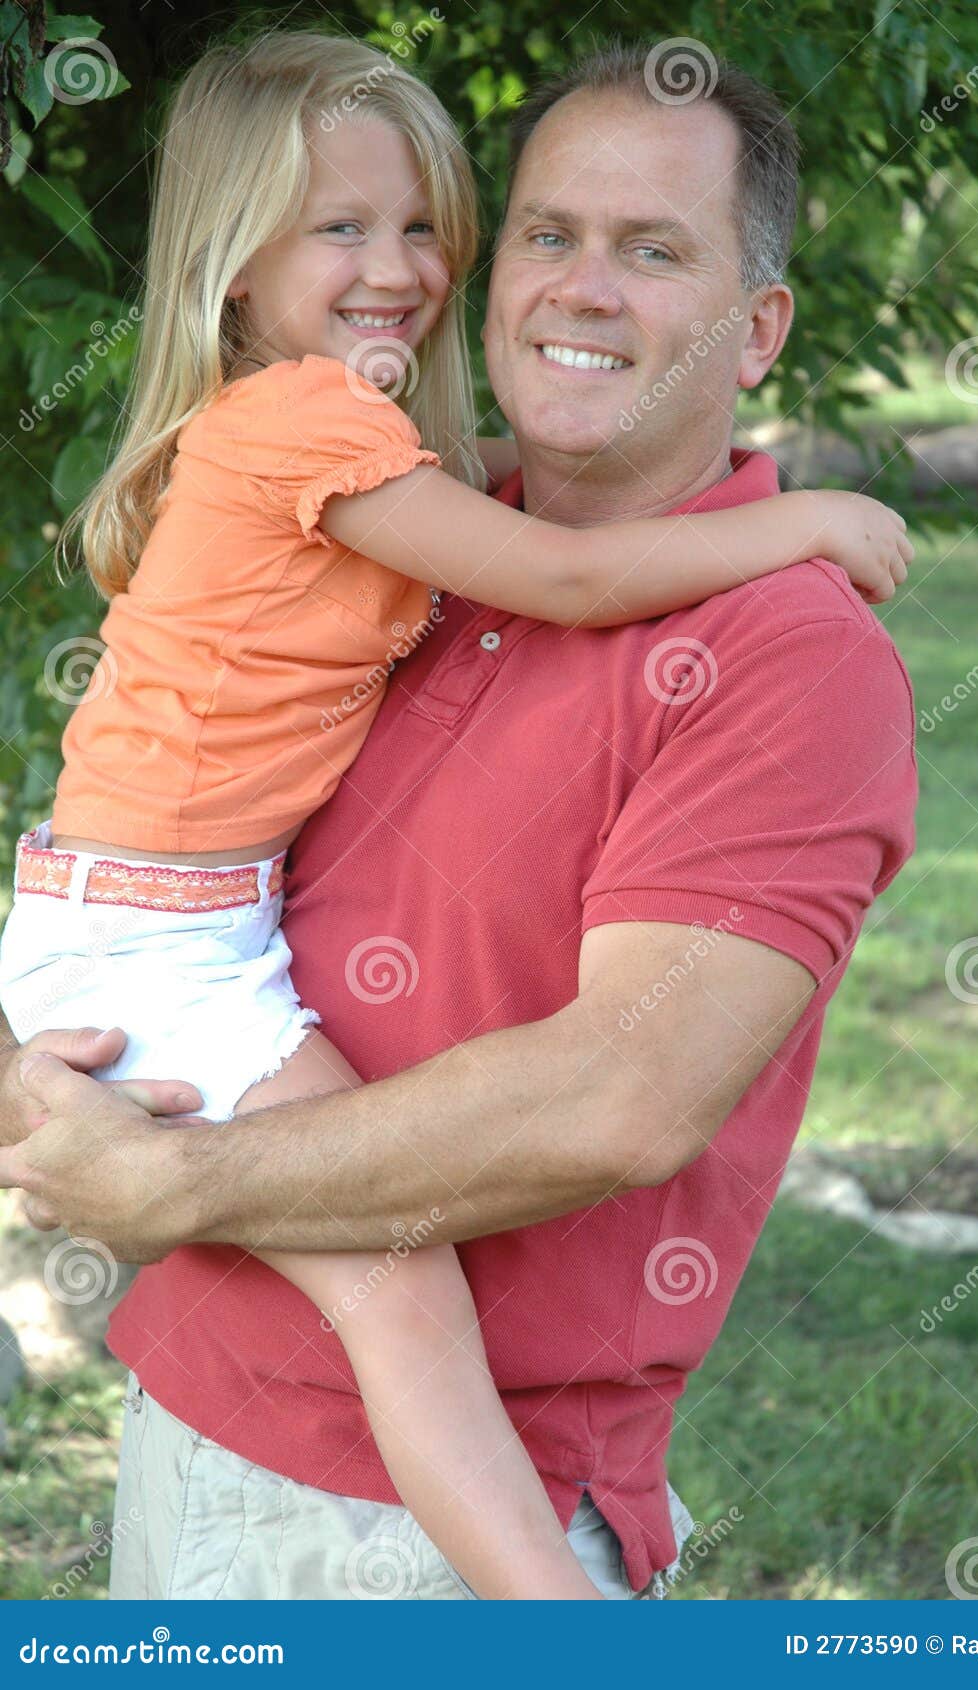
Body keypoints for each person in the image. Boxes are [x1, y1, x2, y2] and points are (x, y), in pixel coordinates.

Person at [0, 37, 918, 1600]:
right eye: (549, 234)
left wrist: (169, 1183)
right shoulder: (420, 552)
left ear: (757, 328)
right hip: (189, 1421)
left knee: (408, 1317)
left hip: (409, 1532)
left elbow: (619, 1100)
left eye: (652, 250)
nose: (577, 286)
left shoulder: (788, 649)